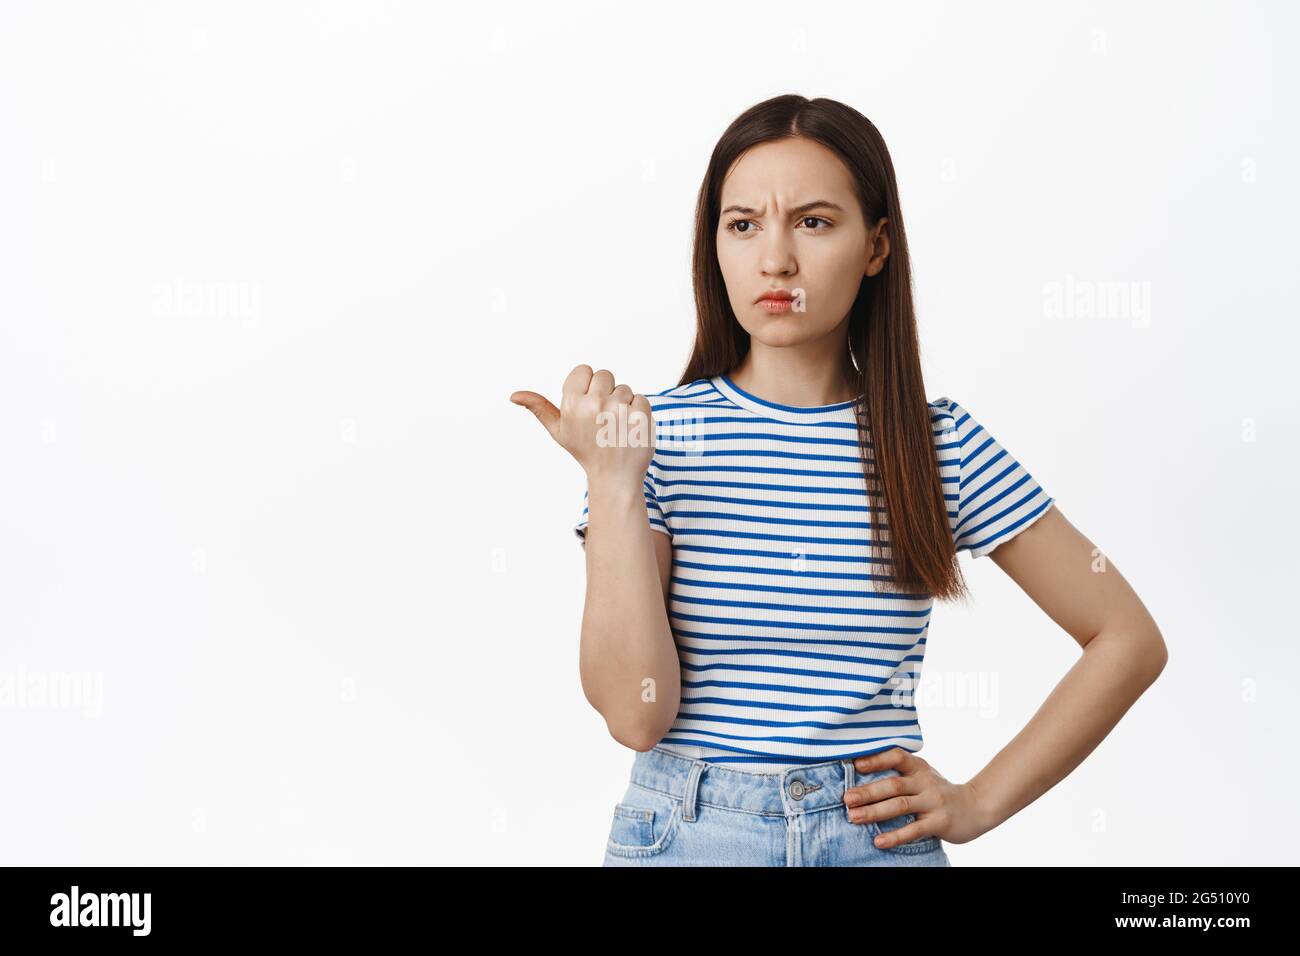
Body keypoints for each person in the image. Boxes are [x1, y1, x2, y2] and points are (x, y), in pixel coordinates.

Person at [510, 94, 1167, 866]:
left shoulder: (935, 443)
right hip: (689, 836)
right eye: (743, 223)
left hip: (875, 839)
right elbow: (634, 715)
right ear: (713, 243)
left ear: (877, 245)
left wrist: (979, 801)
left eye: (814, 222)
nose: (775, 259)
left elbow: (1127, 639)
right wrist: (615, 484)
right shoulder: (650, 440)